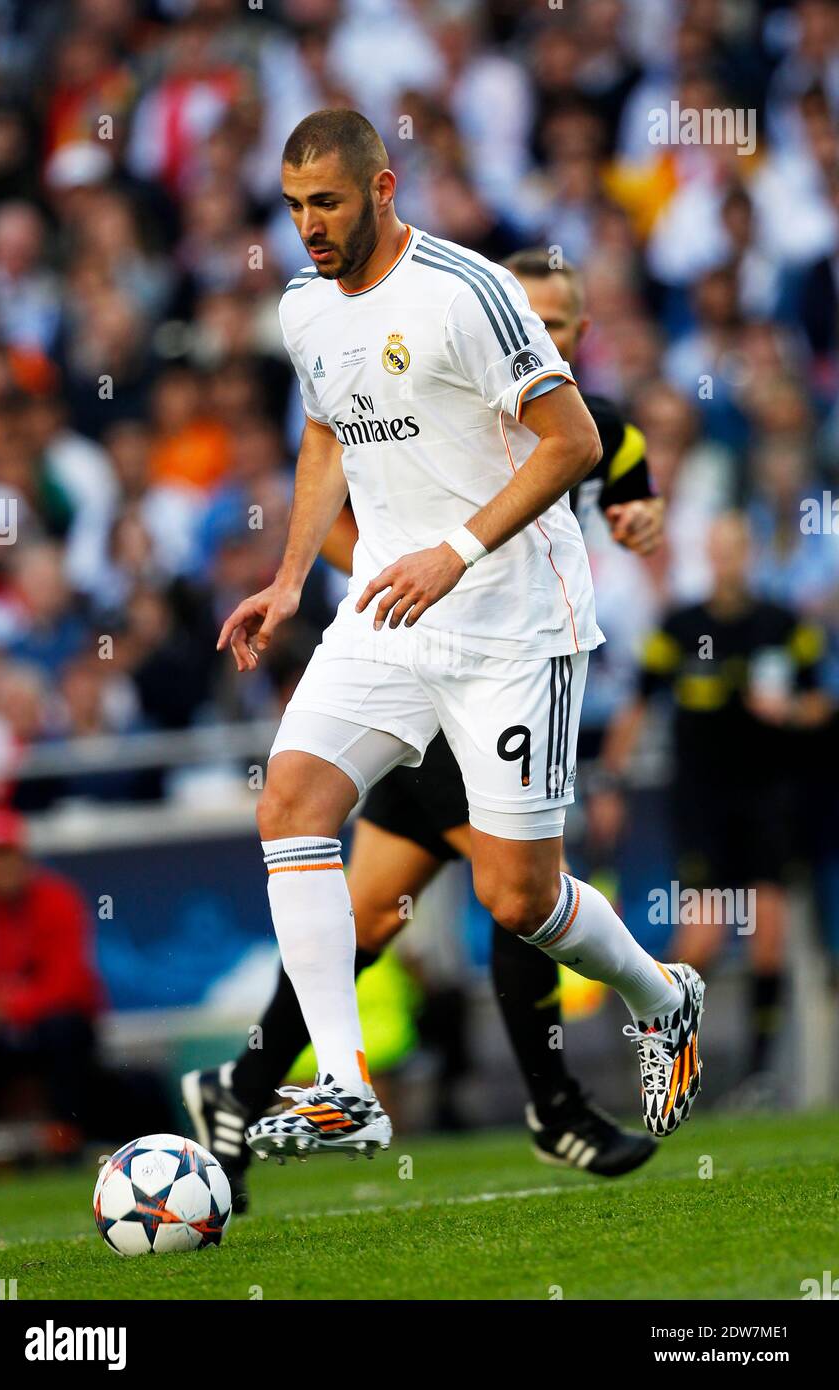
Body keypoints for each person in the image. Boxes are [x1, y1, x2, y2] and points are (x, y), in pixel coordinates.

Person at [210, 109, 704, 1165]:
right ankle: (345, 1086)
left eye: (329, 203)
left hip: (511, 623)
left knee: (517, 896)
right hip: (388, 617)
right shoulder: (303, 308)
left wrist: (456, 553)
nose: (310, 227)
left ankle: (663, 998)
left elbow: (575, 441)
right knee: (289, 802)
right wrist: (292, 577)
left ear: (383, 189)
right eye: (295, 208)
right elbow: (325, 431)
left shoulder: (468, 292)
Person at [600, 511, 831, 1101]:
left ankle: (757, 1074)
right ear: (708, 554)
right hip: (702, 803)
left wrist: (789, 713)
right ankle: (670, 1060)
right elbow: (637, 706)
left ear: (748, 552)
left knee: (768, 935)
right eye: (717, 549)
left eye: (736, 547)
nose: (727, 558)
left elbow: (819, 706)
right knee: (699, 940)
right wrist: (607, 784)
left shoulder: (784, 626)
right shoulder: (679, 626)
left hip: (770, 800)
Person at [0, 807, 102, 1148]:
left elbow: (69, 985)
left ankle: (66, 1136)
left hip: (49, 1027)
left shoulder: (58, 899)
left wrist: (3, 1006)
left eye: (10, 857)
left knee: (65, 1028)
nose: (4, 868)